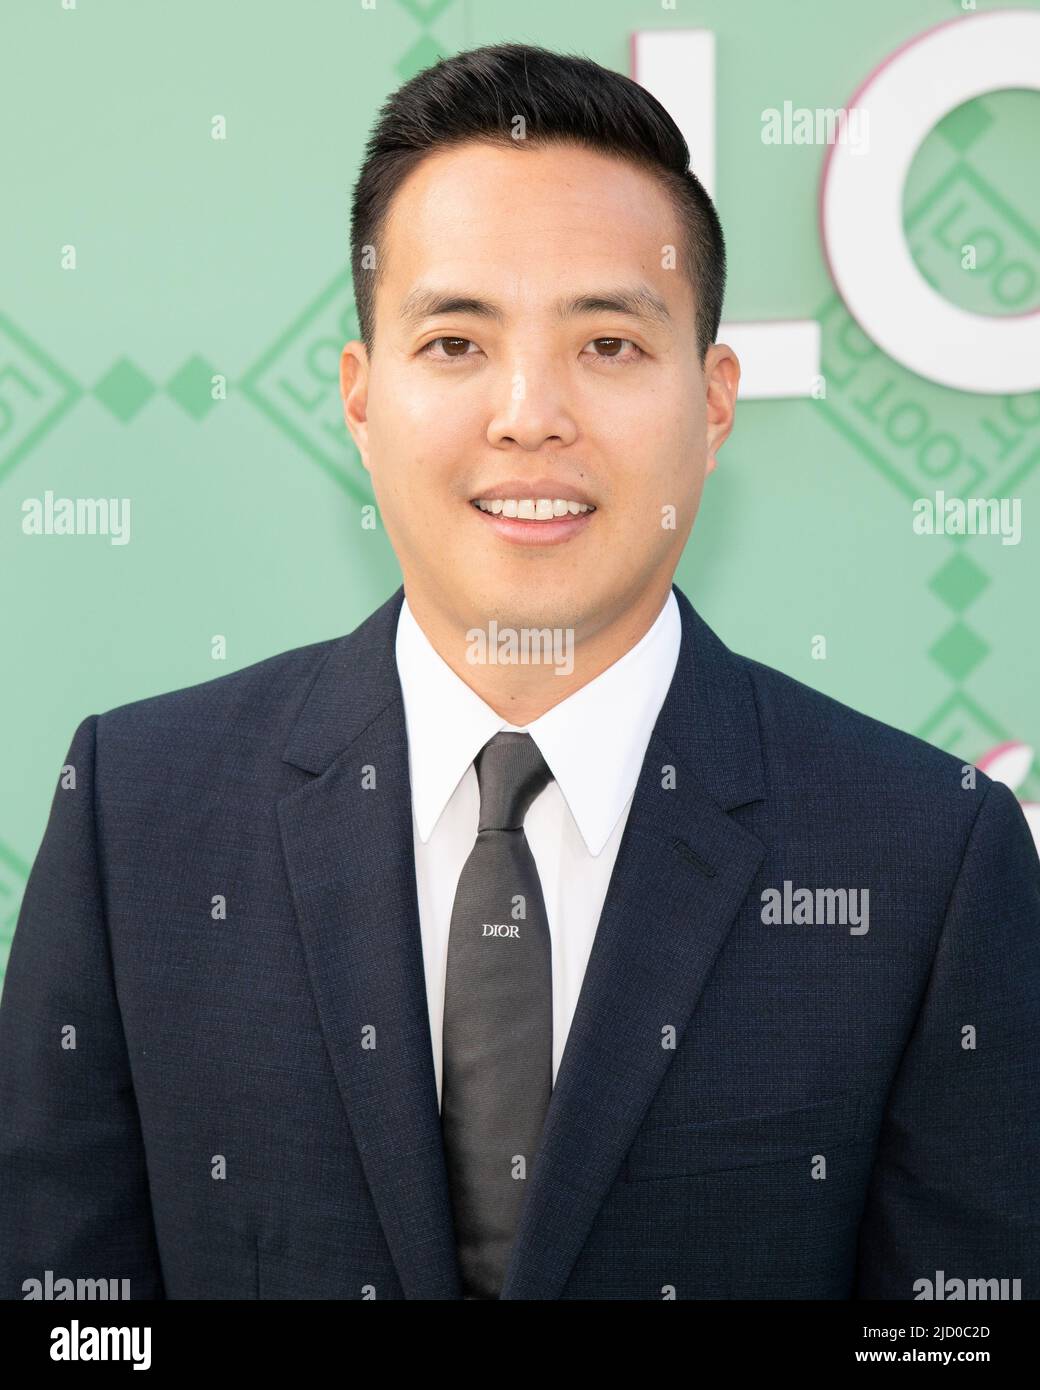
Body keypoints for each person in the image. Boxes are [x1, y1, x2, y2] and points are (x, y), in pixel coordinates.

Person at [2, 42, 1038, 1302]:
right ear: (359, 394)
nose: (529, 412)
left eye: (607, 343)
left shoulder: (928, 856)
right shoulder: (137, 812)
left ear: (713, 402)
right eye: (453, 342)